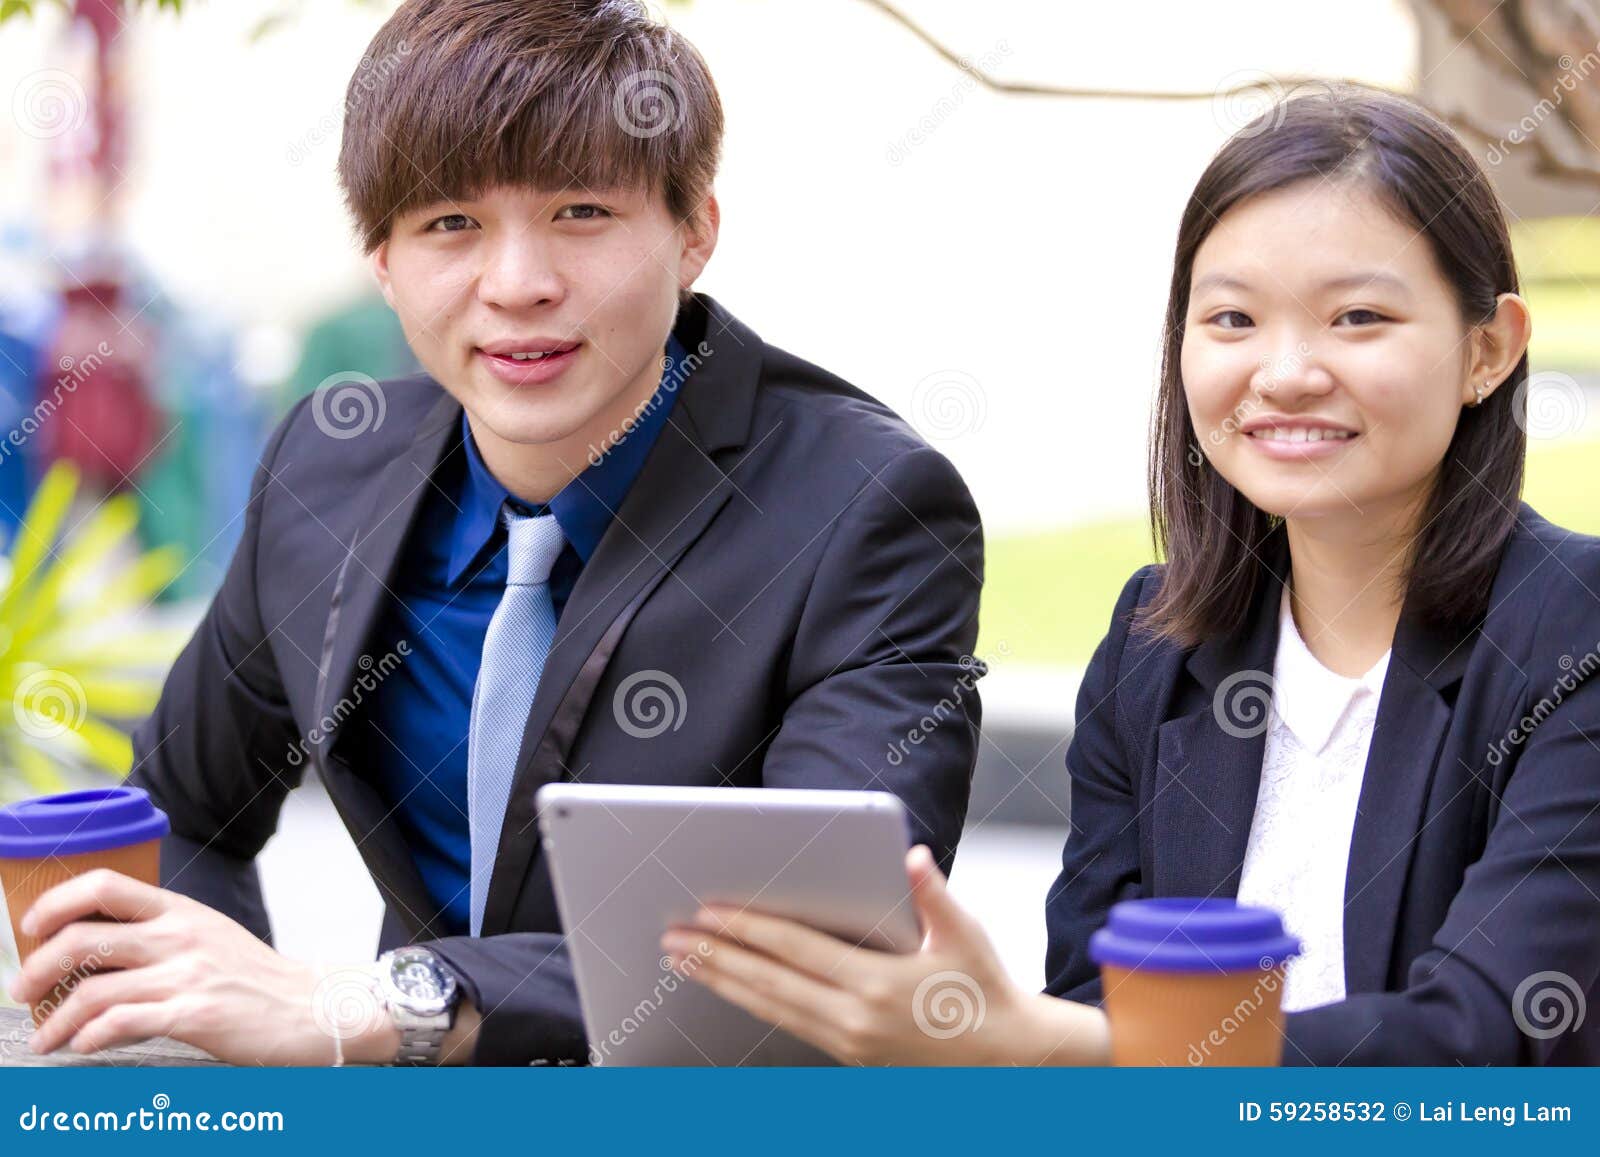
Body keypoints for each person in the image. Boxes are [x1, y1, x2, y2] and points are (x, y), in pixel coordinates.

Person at [6, 0, 982, 1066]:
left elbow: (816, 945)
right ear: (381, 260)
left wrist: (378, 1004)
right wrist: (230, 1026)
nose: (517, 285)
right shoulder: (325, 472)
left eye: (579, 212)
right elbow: (185, 810)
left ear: (694, 228)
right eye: (450, 225)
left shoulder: (867, 506)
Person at [670, 83, 1600, 1066]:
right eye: (1233, 319)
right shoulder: (1155, 643)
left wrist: (1042, 1045)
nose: (1283, 372)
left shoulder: (1572, 635)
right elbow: (1086, 994)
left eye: (1357, 316)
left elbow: (1488, 1040)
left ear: (1486, 349)